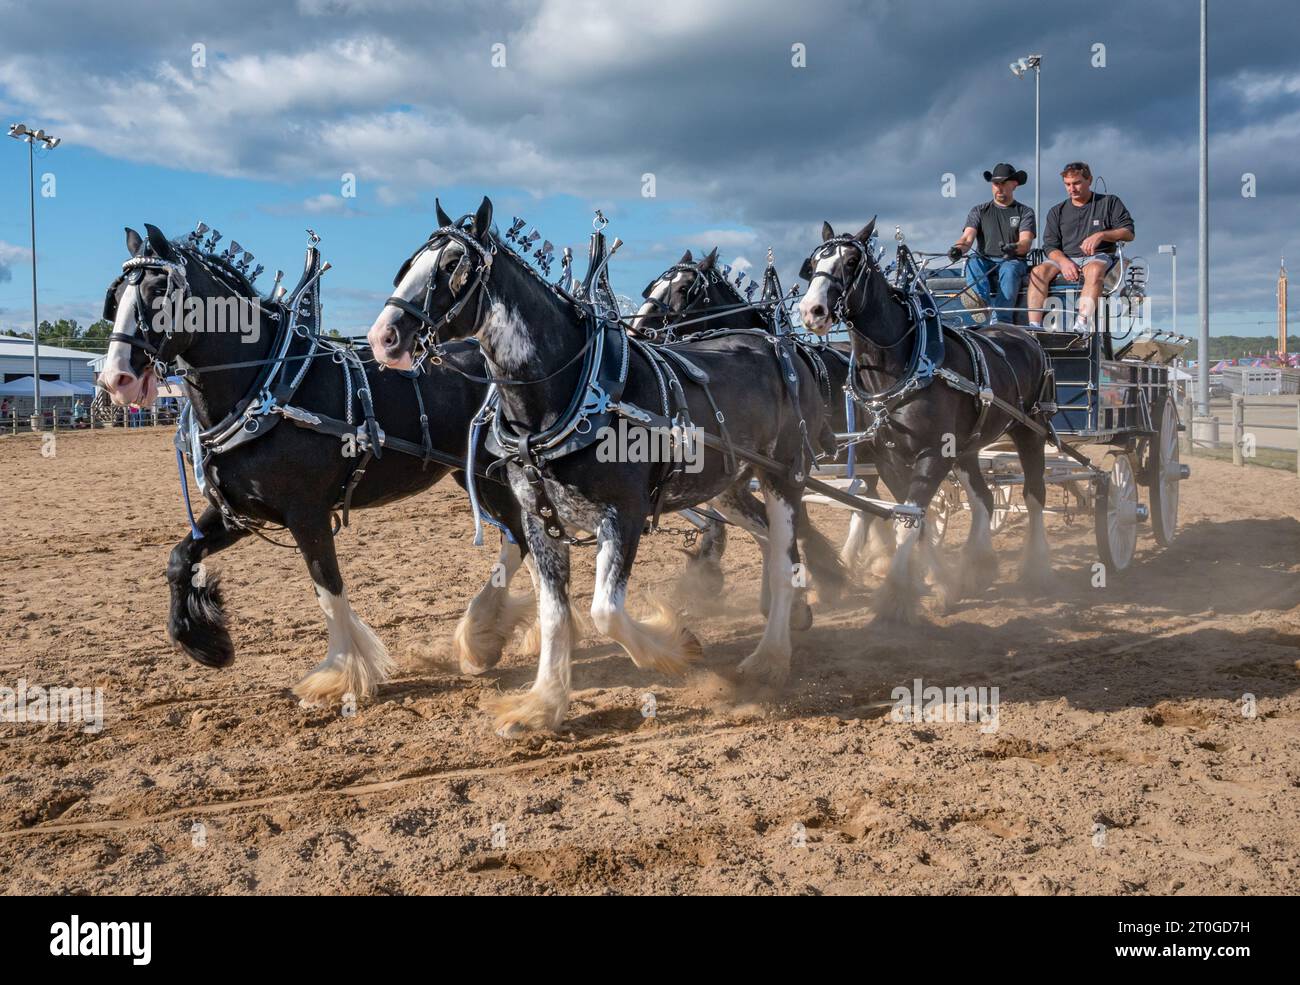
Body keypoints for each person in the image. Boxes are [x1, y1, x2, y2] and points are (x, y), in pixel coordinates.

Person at [1028, 161, 1134, 331]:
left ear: (1089, 180)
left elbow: (1128, 233)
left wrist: (1102, 234)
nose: (1072, 189)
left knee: (1094, 270)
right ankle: (1034, 327)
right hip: (1065, 257)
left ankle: (1082, 323)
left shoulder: (1109, 202)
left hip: (1098, 257)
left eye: (1077, 183)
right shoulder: (1057, 211)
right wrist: (1064, 262)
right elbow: (1049, 246)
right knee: (1037, 272)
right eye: (1068, 185)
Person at [947, 163, 1035, 325]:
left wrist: (1013, 248)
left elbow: (1026, 242)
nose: (999, 188)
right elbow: (967, 239)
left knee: (1010, 269)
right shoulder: (979, 210)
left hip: (1013, 260)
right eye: (996, 184)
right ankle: (980, 303)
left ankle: (1002, 320)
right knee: (973, 261)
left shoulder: (1025, 211)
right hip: (985, 260)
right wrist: (957, 249)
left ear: (1014, 184)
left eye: (1004, 183)